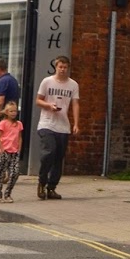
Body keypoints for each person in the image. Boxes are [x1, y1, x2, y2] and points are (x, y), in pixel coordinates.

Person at [35, 56, 79, 200]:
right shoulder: (47, 82)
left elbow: (75, 104)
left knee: (59, 158)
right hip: (47, 123)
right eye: (60, 67)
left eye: (65, 67)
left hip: (63, 126)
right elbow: (38, 100)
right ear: (56, 67)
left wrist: (76, 123)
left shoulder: (73, 85)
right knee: (49, 152)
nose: (62, 70)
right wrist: (49, 105)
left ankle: (51, 188)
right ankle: (42, 182)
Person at [0, 100, 23, 202]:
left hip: (14, 152)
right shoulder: (3, 123)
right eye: (11, 111)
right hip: (5, 151)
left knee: (15, 173)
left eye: (15, 111)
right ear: (6, 112)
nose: (14, 113)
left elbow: (19, 138)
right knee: (0, 174)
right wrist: (2, 149)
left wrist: (19, 149)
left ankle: (8, 194)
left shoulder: (19, 124)